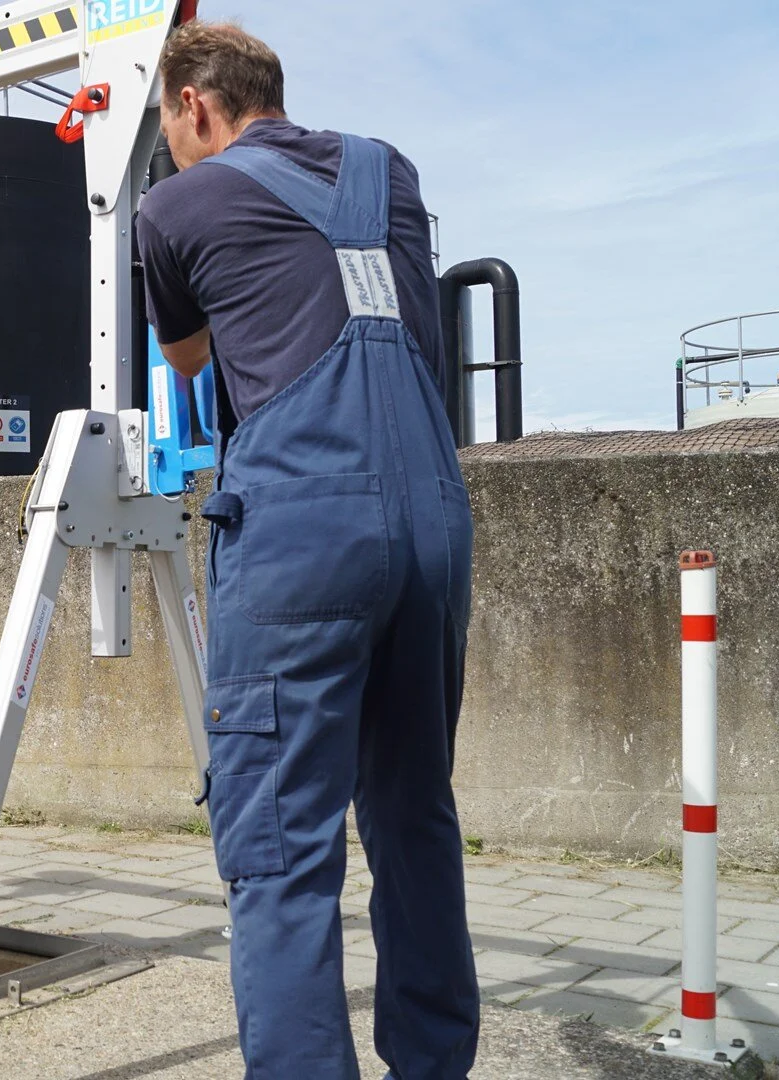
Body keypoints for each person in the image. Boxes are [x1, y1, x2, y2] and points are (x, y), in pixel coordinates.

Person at [136, 20, 480, 1079]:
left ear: (195, 103)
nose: (169, 144)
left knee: (283, 850)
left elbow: (189, 359)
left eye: (166, 124)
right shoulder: (393, 174)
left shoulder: (175, 205)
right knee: (414, 812)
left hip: (299, 529)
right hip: (431, 518)